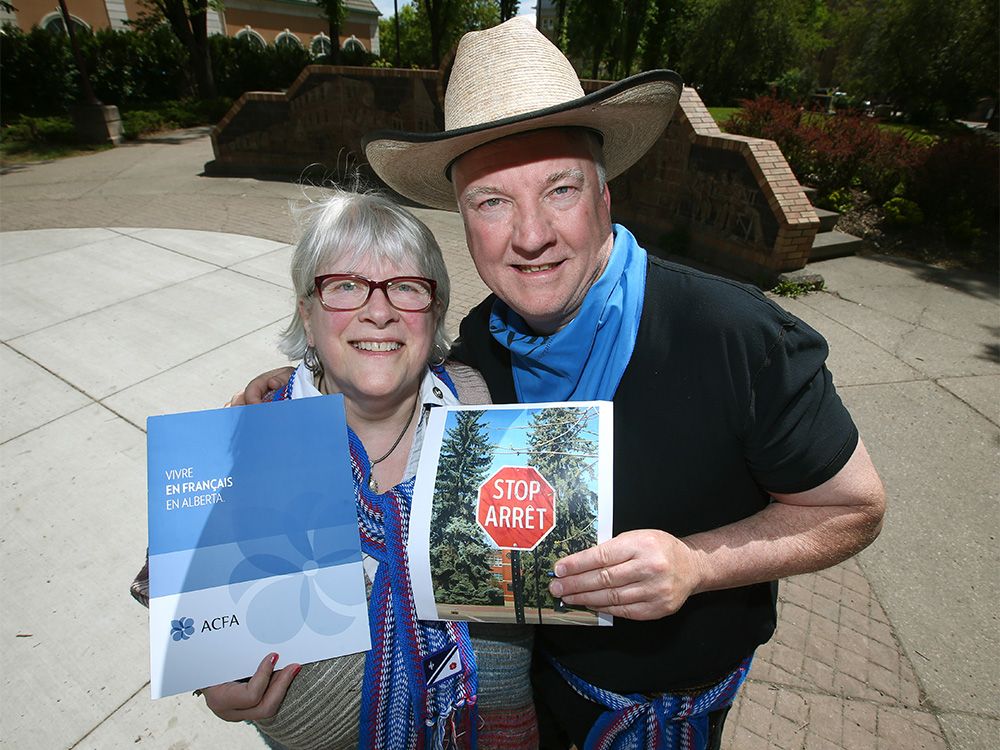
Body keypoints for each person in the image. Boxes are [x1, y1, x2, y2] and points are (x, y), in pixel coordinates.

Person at [237, 18, 886, 750]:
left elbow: (852, 508)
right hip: (525, 706)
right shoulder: (478, 353)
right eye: (492, 202)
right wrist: (285, 391)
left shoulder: (740, 339)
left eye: (560, 189)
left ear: (605, 199)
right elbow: (377, 361)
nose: (532, 234)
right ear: (465, 225)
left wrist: (698, 564)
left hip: (671, 716)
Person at [132, 189, 538, 750]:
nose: (380, 310)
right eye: (345, 286)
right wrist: (210, 683)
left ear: (435, 309)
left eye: (406, 287)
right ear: (307, 309)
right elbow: (196, 620)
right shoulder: (245, 440)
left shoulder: (478, 401)